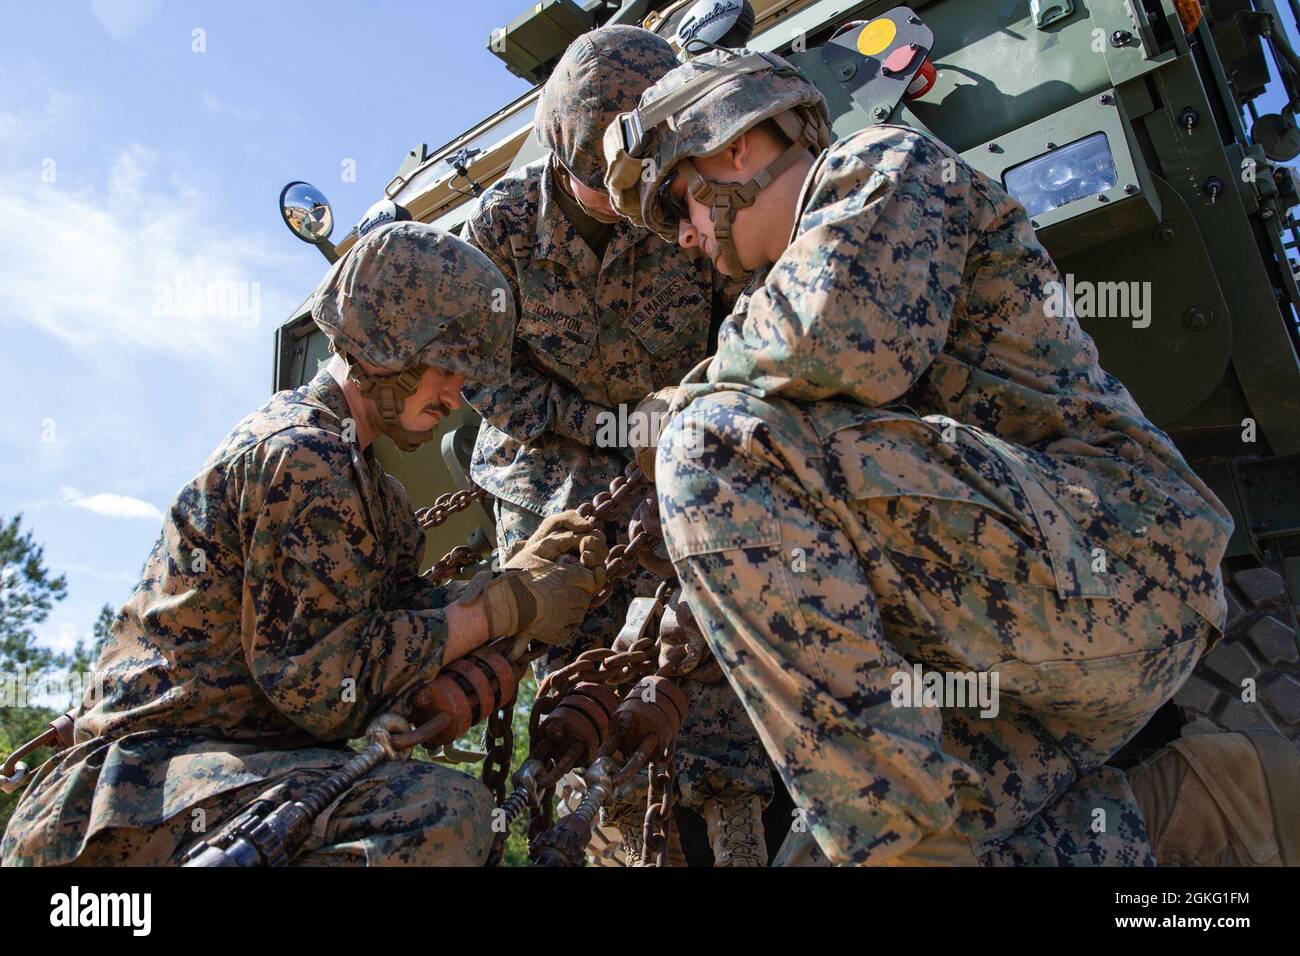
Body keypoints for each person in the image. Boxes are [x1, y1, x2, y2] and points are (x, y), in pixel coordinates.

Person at [606, 48, 1251, 865]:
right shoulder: (778, 305)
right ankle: (1215, 810)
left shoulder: (881, 164)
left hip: (1128, 557)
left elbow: (841, 341)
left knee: (709, 444)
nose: (685, 238)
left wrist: (680, 405)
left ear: (734, 143)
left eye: (675, 202)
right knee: (872, 834)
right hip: (1036, 648)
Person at [1, 222, 605, 867]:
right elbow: (322, 681)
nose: (457, 396)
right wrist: (498, 608)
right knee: (442, 816)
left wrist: (509, 581)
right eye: (448, 368)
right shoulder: (303, 457)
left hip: (222, 770)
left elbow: (391, 634)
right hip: (154, 780)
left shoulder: (369, 484)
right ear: (385, 349)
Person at [462, 25, 772, 865]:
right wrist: (602, 427)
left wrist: (684, 409)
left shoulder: (689, 198)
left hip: (680, 458)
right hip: (549, 480)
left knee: (700, 660)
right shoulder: (501, 233)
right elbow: (482, 377)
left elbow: (749, 317)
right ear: (566, 162)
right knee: (579, 690)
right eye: (610, 184)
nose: (637, 196)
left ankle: (740, 828)